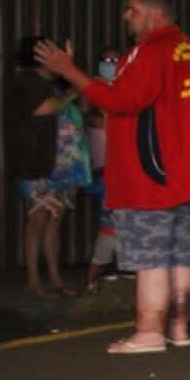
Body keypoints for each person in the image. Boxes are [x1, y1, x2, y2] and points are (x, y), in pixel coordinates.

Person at [35, 0, 190, 354]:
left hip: (152, 178)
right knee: (178, 253)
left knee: (149, 256)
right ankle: (179, 328)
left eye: (131, 10)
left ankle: (149, 332)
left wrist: (69, 70)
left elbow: (120, 100)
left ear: (154, 12)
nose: (126, 17)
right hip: (186, 175)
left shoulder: (149, 51)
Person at [12, 35, 91, 298]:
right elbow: (45, 109)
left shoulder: (57, 82)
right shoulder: (27, 81)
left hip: (64, 165)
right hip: (40, 164)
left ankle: (56, 279)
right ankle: (34, 281)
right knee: (36, 221)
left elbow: (83, 108)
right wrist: (74, 88)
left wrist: (72, 74)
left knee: (55, 223)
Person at [84, 46, 120, 293]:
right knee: (110, 222)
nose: (109, 64)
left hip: (123, 166)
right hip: (104, 165)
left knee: (120, 222)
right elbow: (90, 117)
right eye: (105, 60)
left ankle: (100, 273)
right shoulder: (93, 87)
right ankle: (92, 276)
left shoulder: (128, 86)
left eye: (114, 60)